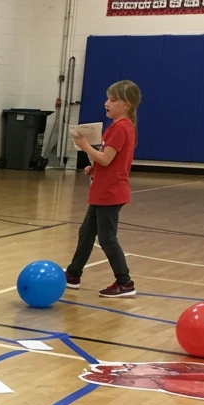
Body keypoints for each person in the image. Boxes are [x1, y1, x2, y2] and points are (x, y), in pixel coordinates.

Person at [66, 80, 141, 298]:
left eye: (113, 100)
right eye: (108, 98)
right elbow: (108, 162)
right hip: (103, 190)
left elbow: (107, 159)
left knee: (107, 239)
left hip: (111, 192)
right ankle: (73, 274)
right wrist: (94, 168)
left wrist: (85, 147)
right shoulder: (118, 127)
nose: (106, 103)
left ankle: (125, 282)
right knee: (86, 232)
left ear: (126, 104)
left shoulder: (121, 128)